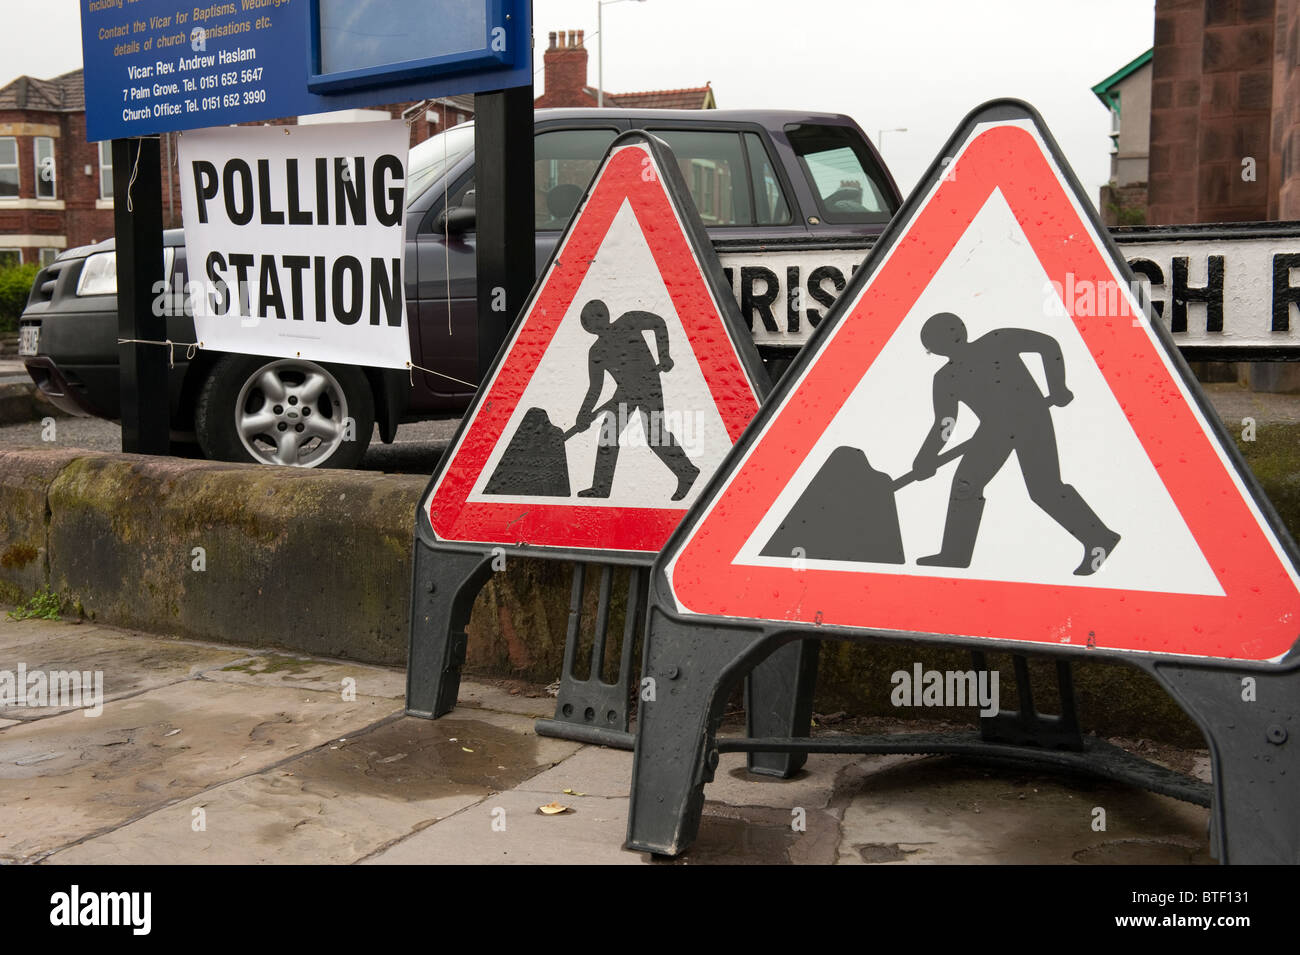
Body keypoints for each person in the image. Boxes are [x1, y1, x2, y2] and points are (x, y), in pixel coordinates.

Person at [910, 311, 1120, 575]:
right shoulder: (945, 378)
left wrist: (1057, 387)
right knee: (966, 484)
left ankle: (1099, 538)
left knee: (1044, 489)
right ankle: (955, 554)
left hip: (1030, 418)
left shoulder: (997, 341)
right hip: (993, 430)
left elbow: (1047, 345)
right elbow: (946, 422)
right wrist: (926, 457)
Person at [571, 299, 700, 501]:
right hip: (624, 392)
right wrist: (583, 414)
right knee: (608, 433)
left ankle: (687, 472)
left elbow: (658, 322)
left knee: (655, 435)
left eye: (597, 317)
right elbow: (595, 387)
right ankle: (601, 488)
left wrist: (664, 354)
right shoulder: (596, 352)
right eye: (590, 322)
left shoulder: (628, 321)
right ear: (587, 328)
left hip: (649, 384)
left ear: (605, 314)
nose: (596, 324)